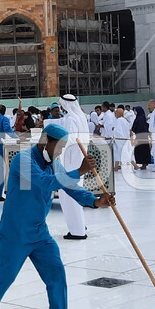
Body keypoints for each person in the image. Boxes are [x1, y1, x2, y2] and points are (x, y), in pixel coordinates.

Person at [0, 123, 112, 309]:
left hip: (40, 234)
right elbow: (45, 183)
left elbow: (72, 188)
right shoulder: (23, 160)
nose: (59, 152)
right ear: (44, 142)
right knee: (4, 279)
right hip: (14, 234)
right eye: (58, 147)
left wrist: (96, 201)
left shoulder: (54, 164)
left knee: (56, 275)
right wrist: (79, 171)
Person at [57, 94, 91, 240]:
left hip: (71, 158)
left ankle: (77, 230)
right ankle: (80, 225)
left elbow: (71, 138)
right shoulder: (80, 117)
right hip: (78, 157)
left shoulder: (71, 119)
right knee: (76, 191)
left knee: (68, 193)